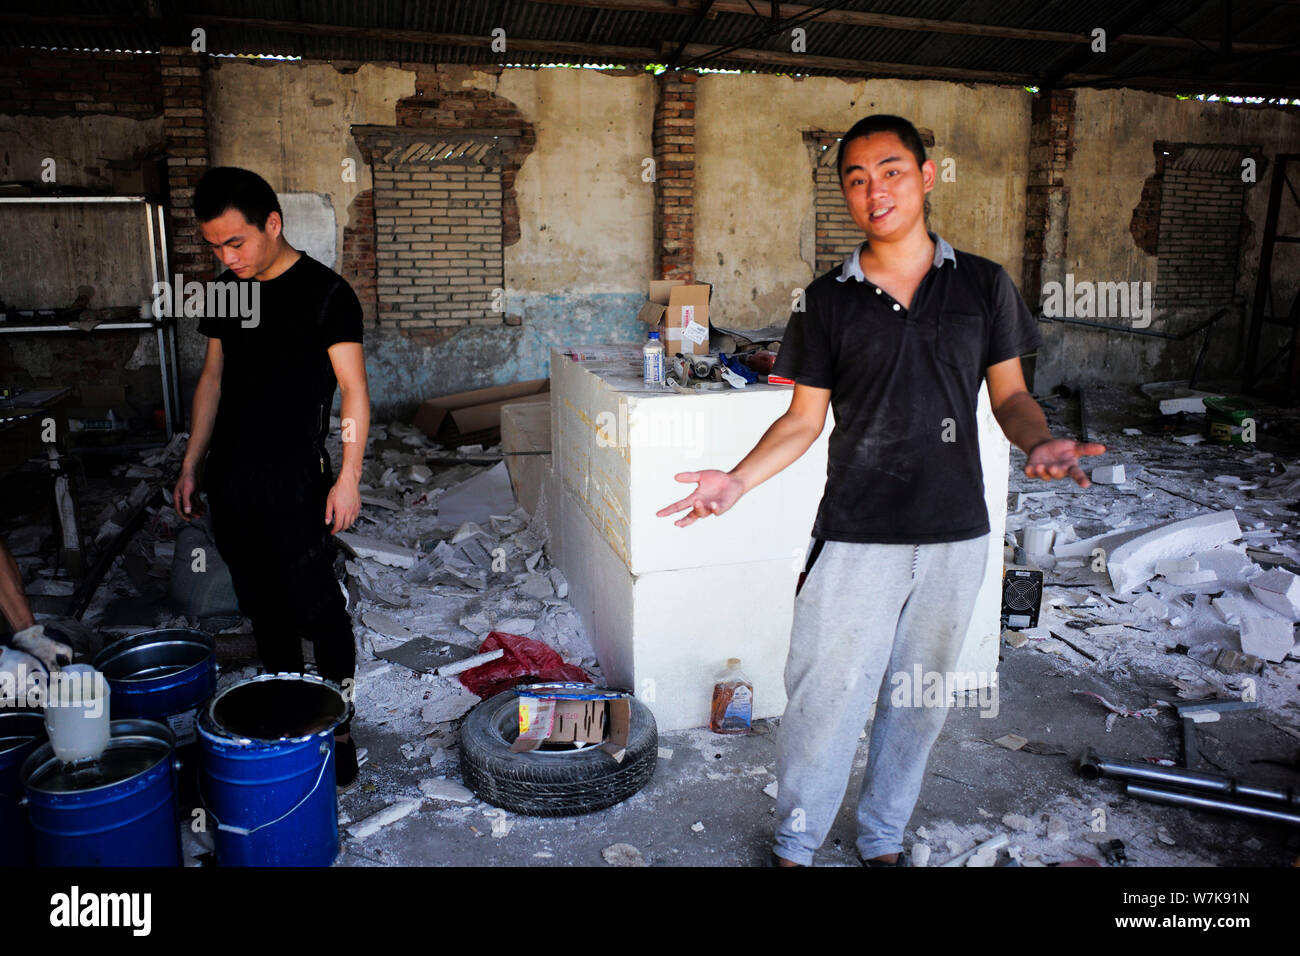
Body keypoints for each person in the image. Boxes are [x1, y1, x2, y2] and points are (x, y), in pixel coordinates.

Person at [657, 115, 1105, 866]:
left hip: (955, 532)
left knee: (917, 702)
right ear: (846, 195)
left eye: (891, 171)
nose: (875, 190)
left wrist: (1041, 440)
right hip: (859, 531)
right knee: (823, 702)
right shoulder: (827, 300)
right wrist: (737, 479)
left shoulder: (985, 285)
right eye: (857, 179)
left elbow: (1010, 398)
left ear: (927, 177)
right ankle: (797, 844)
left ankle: (883, 839)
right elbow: (804, 421)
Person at [172, 167, 371, 787]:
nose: (227, 258)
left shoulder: (326, 293)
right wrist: (191, 461)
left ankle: (338, 732)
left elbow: (353, 393)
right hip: (232, 480)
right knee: (264, 609)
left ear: (273, 225)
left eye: (237, 243)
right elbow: (212, 380)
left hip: (294, 479)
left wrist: (349, 478)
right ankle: (291, 720)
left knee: (319, 610)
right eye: (215, 247)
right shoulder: (228, 293)